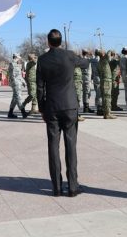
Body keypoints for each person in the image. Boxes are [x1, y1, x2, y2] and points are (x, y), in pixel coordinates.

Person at [36, 29, 88, 197]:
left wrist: (42, 108)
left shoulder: (42, 60)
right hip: (70, 105)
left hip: (51, 106)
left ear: (48, 42)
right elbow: (85, 63)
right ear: (61, 41)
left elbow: (39, 87)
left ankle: (56, 187)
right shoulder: (69, 56)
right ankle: (73, 186)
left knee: (53, 146)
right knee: (71, 146)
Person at [97, 50, 116, 119]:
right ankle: (107, 113)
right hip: (106, 80)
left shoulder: (99, 62)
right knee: (107, 97)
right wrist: (112, 51)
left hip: (103, 80)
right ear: (102, 54)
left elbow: (99, 72)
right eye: (103, 51)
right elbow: (109, 53)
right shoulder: (104, 60)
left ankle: (106, 113)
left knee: (104, 97)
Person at [7, 54, 26, 118]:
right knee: (18, 97)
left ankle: (10, 113)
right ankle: (23, 112)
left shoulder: (17, 65)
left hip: (18, 82)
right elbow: (12, 75)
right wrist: (15, 83)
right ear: (16, 57)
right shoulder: (12, 64)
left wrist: (23, 81)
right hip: (16, 83)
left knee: (15, 98)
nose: (19, 59)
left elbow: (19, 75)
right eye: (18, 58)